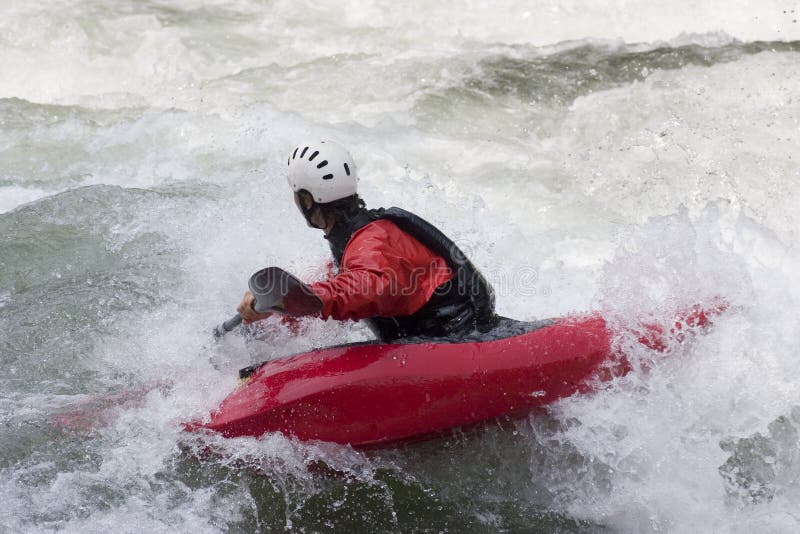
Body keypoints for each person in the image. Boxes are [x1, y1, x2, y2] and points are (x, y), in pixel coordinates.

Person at [237, 140, 498, 341]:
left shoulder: (373, 242)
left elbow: (366, 285)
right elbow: (337, 284)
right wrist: (276, 309)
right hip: (441, 339)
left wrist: (302, 298)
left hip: (460, 340)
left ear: (307, 200)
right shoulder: (355, 238)